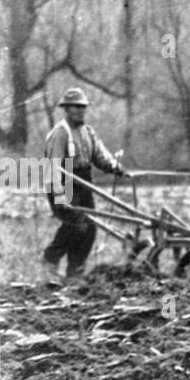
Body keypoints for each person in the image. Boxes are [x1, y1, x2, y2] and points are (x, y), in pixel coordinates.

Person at [42, 88, 127, 282]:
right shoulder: (60, 133)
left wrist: (116, 168)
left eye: (82, 107)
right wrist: (60, 195)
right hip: (64, 180)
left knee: (90, 228)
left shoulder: (88, 131)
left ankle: (75, 273)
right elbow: (53, 167)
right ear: (66, 109)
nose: (80, 111)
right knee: (76, 223)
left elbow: (100, 155)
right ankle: (50, 259)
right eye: (76, 107)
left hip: (83, 181)